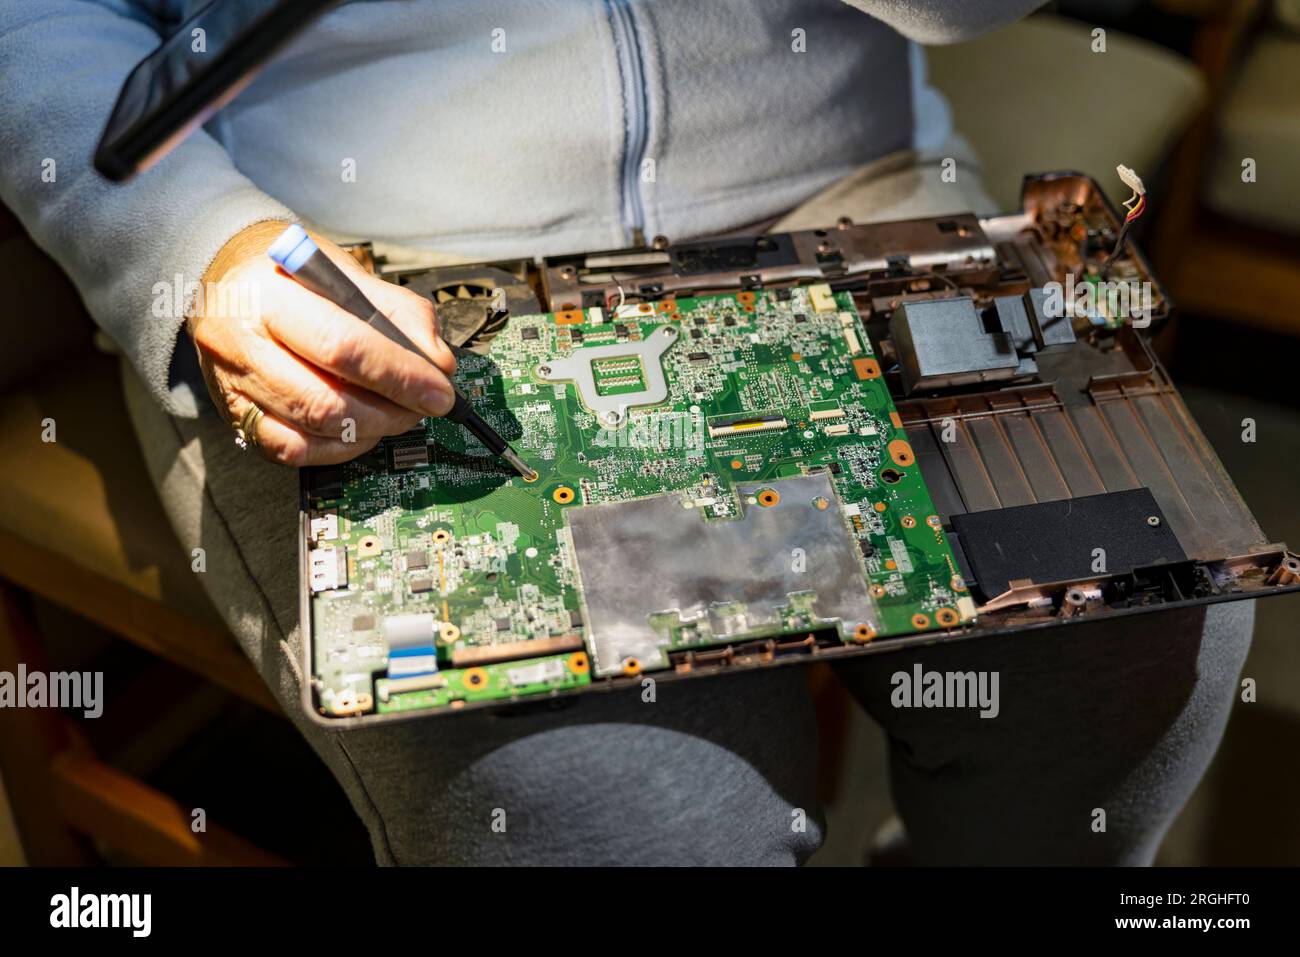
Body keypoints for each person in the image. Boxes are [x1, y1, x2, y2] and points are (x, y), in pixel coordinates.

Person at [0, 0, 1253, 865]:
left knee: (1146, 624)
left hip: (843, 196)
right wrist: (188, 243)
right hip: (357, 270)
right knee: (619, 819)